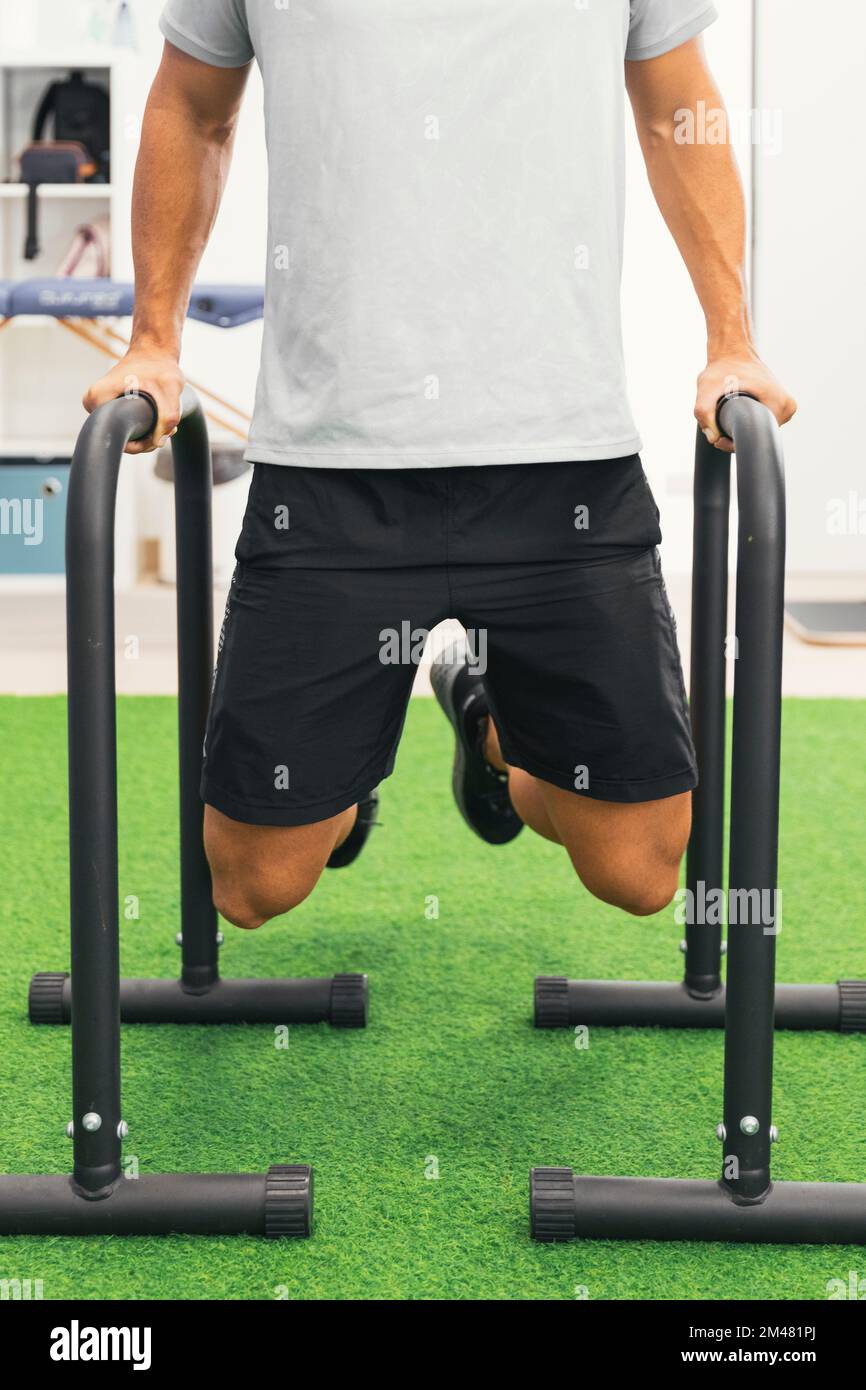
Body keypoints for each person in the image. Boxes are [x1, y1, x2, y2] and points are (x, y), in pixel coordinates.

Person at [84, 1, 796, 930]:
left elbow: (676, 112)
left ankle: (490, 728)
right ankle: (342, 784)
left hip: (561, 456)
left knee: (640, 870)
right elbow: (189, 105)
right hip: (334, 466)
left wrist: (733, 340)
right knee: (255, 884)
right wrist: (152, 341)